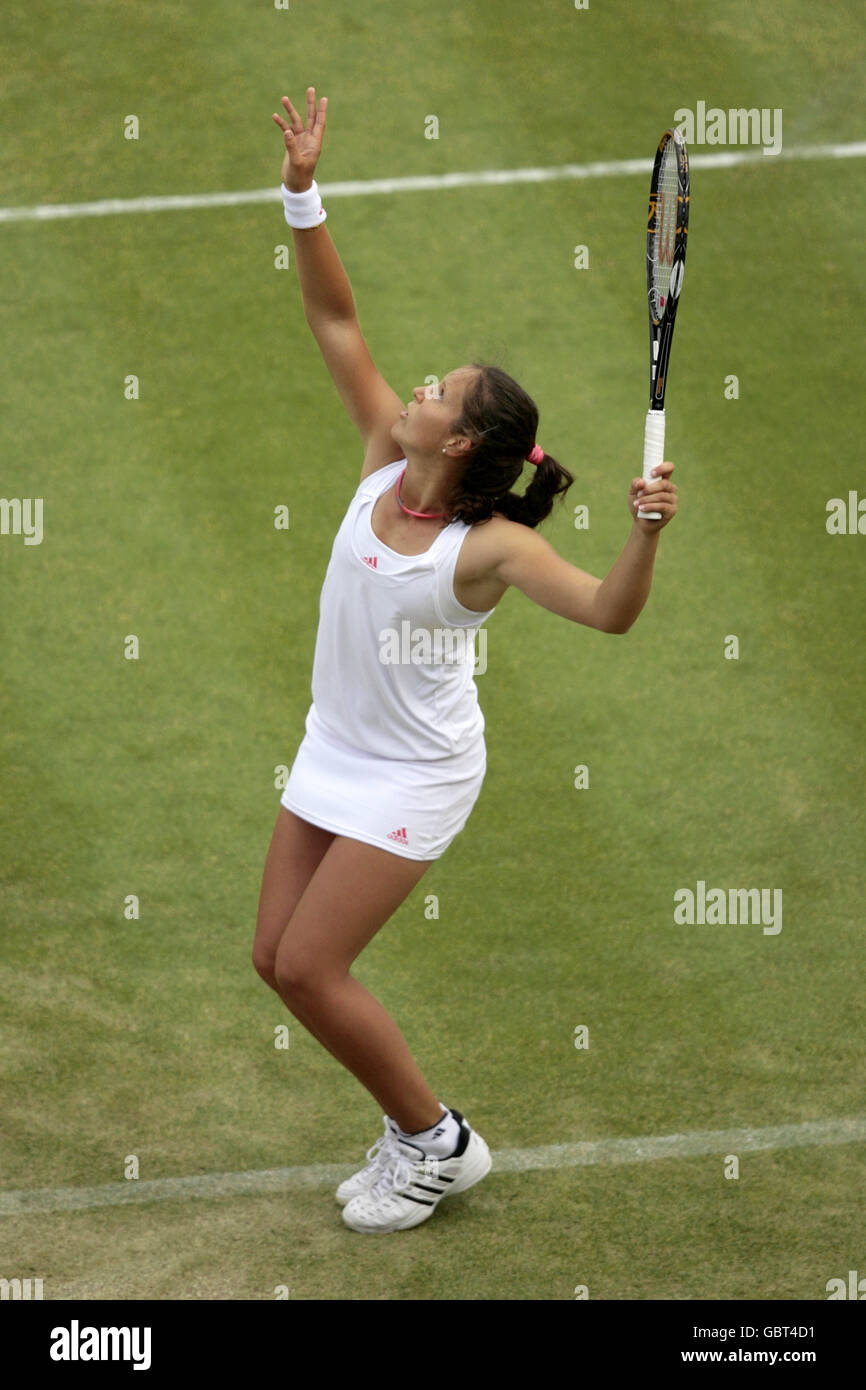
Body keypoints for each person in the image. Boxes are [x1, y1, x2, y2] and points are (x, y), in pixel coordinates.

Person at [253, 88, 678, 1235]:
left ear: (463, 444)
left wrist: (642, 535)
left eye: (436, 393)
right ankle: (412, 1132)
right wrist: (303, 192)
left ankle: (436, 1141)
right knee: (272, 958)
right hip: (335, 741)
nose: (416, 389)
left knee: (310, 966)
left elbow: (607, 614)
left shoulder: (488, 547)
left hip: (415, 773)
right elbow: (337, 325)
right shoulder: (376, 461)